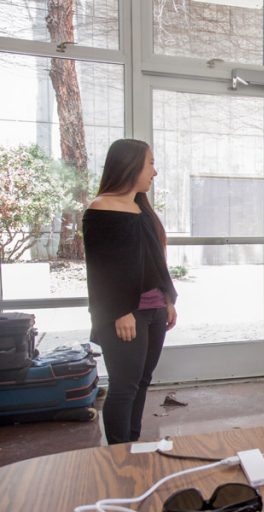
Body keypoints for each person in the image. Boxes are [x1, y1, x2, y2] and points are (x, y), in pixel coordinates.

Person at [83, 139, 178, 445]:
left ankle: (132, 446)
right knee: (124, 386)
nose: (155, 171)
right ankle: (118, 455)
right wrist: (120, 312)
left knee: (141, 382)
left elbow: (154, 262)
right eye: (150, 163)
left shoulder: (140, 208)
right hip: (125, 315)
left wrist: (167, 299)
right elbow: (101, 270)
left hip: (153, 309)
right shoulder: (102, 208)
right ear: (131, 165)